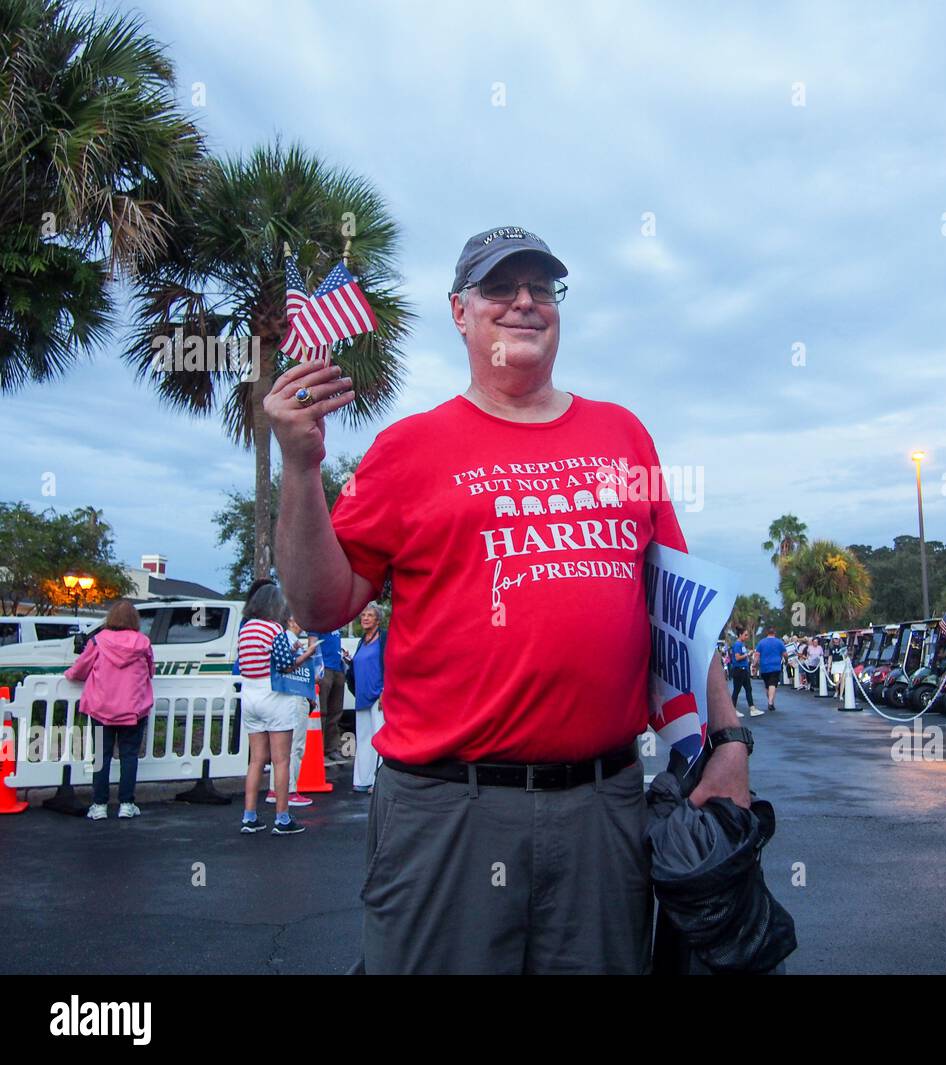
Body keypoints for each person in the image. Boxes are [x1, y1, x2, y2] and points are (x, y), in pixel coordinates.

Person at [267, 226, 751, 974]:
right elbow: (320, 603)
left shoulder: (623, 436)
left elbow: (679, 612)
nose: (524, 301)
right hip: (446, 810)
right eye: (501, 287)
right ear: (460, 310)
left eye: (543, 287)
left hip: (603, 807)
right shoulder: (407, 448)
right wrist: (300, 470)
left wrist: (729, 743)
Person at [65, 600, 154, 820]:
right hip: (133, 710)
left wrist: (68, 675)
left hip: (101, 709)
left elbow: (80, 669)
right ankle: (126, 803)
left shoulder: (98, 641)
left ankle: (99, 805)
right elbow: (150, 671)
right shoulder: (143, 643)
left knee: (101, 758)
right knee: (129, 756)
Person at [236, 584, 312, 835]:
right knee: (281, 760)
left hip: (250, 696)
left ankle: (249, 816)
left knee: (257, 760)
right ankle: (282, 818)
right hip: (274, 697)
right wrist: (306, 653)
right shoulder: (274, 629)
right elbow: (286, 666)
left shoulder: (246, 629)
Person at [264, 617, 318, 808]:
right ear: (290, 621)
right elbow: (290, 667)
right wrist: (309, 652)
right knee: (295, 745)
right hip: (295, 696)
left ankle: (274, 789)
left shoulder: (284, 639)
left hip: (283, 696)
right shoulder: (287, 639)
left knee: (281, 747)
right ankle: (289, 790)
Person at [346, 603, 385, 793]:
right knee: (362, 739)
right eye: (363, 615)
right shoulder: (362, 641)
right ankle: (363, 779)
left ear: (378, 619)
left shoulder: (384, 639)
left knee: (379, 737)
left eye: (369, 615)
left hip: (378, 695)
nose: (365, 618)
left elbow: (391, 663)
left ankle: (379, 780)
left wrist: (386, 690)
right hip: (361, 695)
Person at [310, 626, 347, 762]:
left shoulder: (336, 623)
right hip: (324, 669)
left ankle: (331, 748)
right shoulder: (318, 621)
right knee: (322, 712)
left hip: (337, 668)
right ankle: (317, 750)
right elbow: (312, 644)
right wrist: (315, 669)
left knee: (336, 711)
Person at [755, 626, 787, 713]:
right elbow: (785, 654)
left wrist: (754, 664)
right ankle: (770, 701)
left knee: (767, 686)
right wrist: (786, 661)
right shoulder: (779, 642)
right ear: (774, 633)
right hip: (775, 666)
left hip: (764, 667)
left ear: (767, 633)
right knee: (773, 684)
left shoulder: (761, 642)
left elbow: (757, 654)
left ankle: (771, 702)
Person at [730, 628, 758, 715]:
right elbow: (737, 657)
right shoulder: (737, 645)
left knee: (748, 689)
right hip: (739, 670)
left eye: (747, 635)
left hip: (744, 669)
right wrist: (747, 654)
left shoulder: (742, 644)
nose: (747, 637)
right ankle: (732, 710)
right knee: (736, 690)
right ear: (740, 635)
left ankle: (752, 708)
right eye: (745, 635)